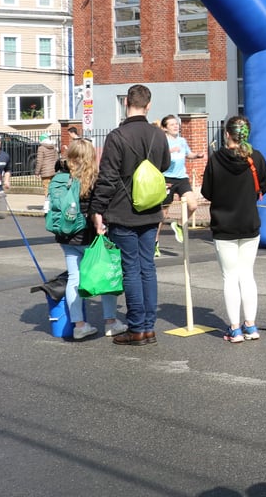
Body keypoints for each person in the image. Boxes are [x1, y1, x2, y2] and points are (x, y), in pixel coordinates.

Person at [89, 84, 171, 347]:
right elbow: (165, 165)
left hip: (123, 210)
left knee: (131, 269)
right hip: (151, 209)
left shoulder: (117, 136)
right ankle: (148, 327)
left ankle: (136, 327)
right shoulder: (159, 135)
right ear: (149, 105)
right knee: (148, 267)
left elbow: (108, 178)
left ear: (126, 102)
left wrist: (97, 210)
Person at [201, 114, 266, 343]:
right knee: (247, 275)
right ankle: (251, 325)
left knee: (230, 277)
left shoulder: (216, 159)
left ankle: (235, 328)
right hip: (249, 222)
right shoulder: (256, 158)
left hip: (224, 225)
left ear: (227, 134)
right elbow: (265, 185)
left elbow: (207, 191)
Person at [58, 138, 128, 340]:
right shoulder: (95, 179)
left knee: (74, 278)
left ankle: (79, 325)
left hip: (67, 234)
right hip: (91, 235)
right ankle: (111, 322)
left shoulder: (62, 177)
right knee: (106, 275)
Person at [157, 114, 205, 257]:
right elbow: (156, 157)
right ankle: (155, 243)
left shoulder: (182, 141)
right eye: (172, 124)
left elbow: (188, 154)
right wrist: (169, 151)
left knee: (193, 205)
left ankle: (178, 224)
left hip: (182, 178)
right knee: (163, 214)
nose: (175, 126)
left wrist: (197, 155)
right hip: (167, 179)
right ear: (165, 128)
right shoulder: (162, 141)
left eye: (176, 124)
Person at [35, 133, 59, 212]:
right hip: (54, 171)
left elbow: (39, 161)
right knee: (53, 188)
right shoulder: (53, 147)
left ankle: (47, 206)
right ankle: (54, 204)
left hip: (45, 171)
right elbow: (57, 159)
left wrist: (37, 172)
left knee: (46, 188)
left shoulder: (41, 148)